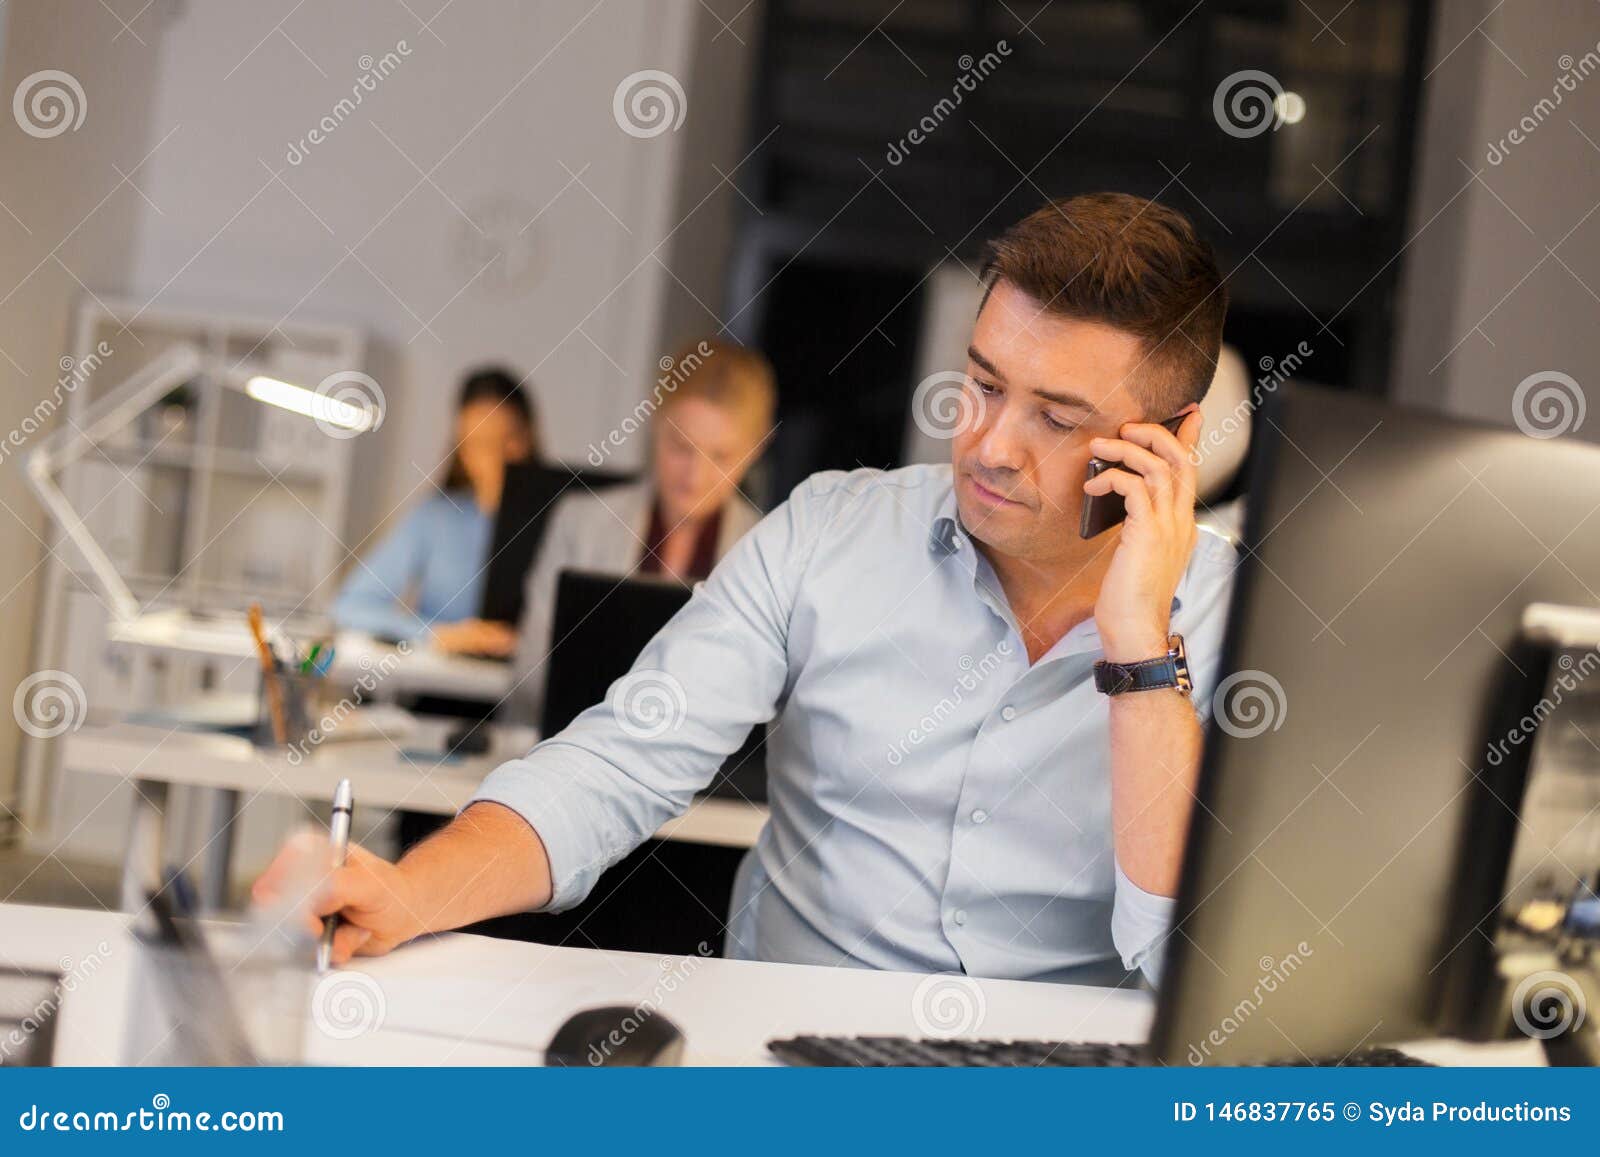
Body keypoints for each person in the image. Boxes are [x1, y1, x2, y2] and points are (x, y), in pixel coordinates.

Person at [260, 193, 1236, 988]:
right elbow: (619, 762)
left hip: (1055, 1081)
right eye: (982, 384)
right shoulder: (826, 531)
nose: (988, 444)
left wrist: (1138, 648)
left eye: (1057, 418)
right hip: (792, 1052)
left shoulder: (1242, 616)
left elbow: (1182, 954)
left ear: (1171, 443)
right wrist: (414, 890)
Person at [505, 336, 776, 723]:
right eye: (681, 447)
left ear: (755, 451)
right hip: (577, 751)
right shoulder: (581, 523)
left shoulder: (770, 551)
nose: (695, 476)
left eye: (721, 456)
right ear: (655, 425)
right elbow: (529, 676)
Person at [330, 367, 538, 656]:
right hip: (442, 690)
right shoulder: (435, 518)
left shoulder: (566, 523)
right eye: (480, 444)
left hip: (530, 691)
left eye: (508, 441)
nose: (496, 458)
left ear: (529, 437)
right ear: (461, 449)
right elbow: (349, 606)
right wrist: (437, 635)